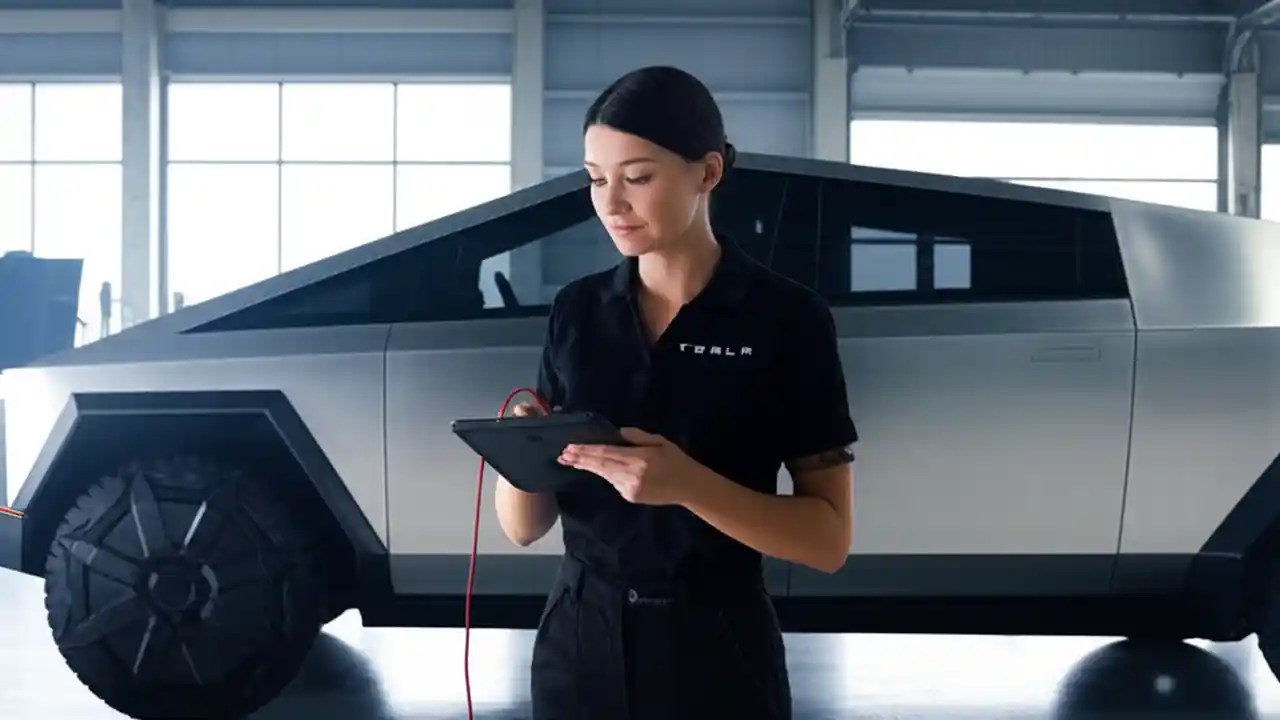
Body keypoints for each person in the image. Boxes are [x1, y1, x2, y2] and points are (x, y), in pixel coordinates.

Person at [494, 65, 858, 720]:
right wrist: (523, 446)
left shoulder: (785, 318)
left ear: (707, 172)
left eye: (638, 177)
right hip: (581, 643)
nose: (611, 203)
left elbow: (827, 541)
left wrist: (687, 484)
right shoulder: (578, 311)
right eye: (596, 179)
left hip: (718, 646)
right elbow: (525, 527)